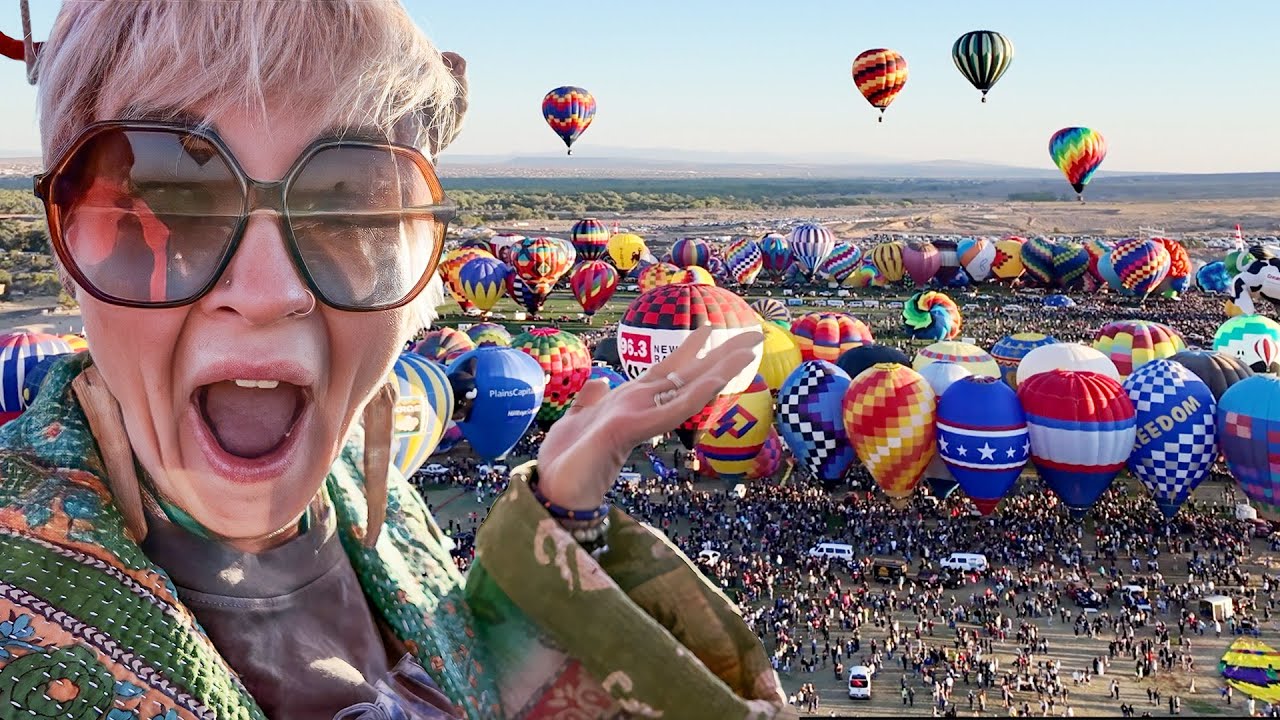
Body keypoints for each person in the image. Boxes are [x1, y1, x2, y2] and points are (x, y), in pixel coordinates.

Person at [0, 2, 784, 719]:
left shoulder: (372, 501)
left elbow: (466, 686)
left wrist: (559, 514)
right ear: (64, 243)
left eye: (351, 207)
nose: (270, 292)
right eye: (168, 203)